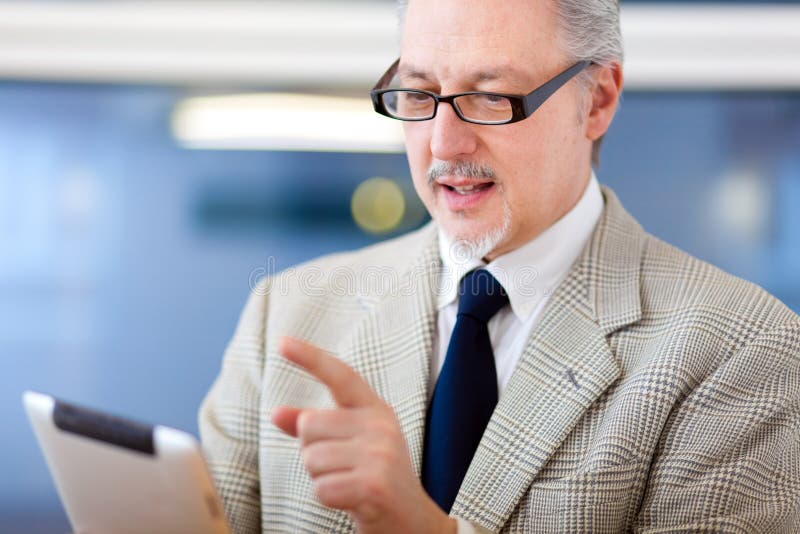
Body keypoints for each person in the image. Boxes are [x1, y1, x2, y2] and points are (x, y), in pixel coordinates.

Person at [199, 0, 800, 532]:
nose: (443, 143)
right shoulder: (288, 311)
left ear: (598, 100)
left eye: (490, 96)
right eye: (419, 94)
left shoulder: (744, 350)